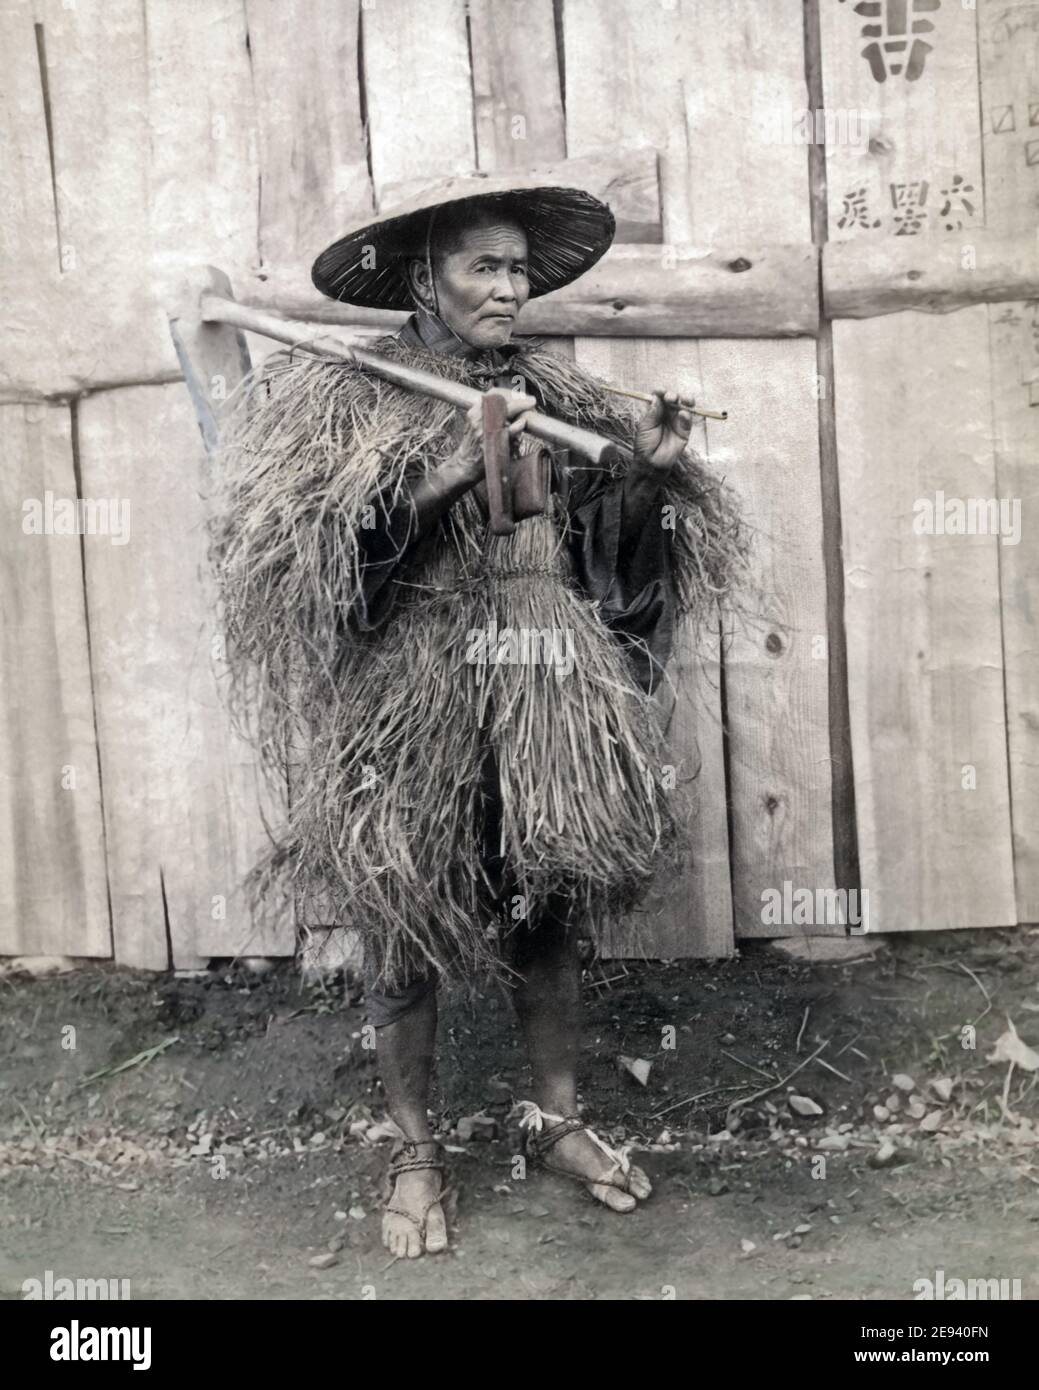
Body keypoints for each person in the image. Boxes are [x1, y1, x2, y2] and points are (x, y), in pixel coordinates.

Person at [211, 177, 745, 1259]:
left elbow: (619, 565)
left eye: (516, 268)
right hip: (416, 687)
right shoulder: (350, 397)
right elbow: (314, 574)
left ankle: (553, 1115)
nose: (509, 288)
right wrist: (447, 476)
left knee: (546, 894)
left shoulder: (560, 393)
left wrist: (648, 479)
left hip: (544, 678)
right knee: (404, 913)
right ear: (423, 278)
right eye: (481, 268)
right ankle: (414, 1149)